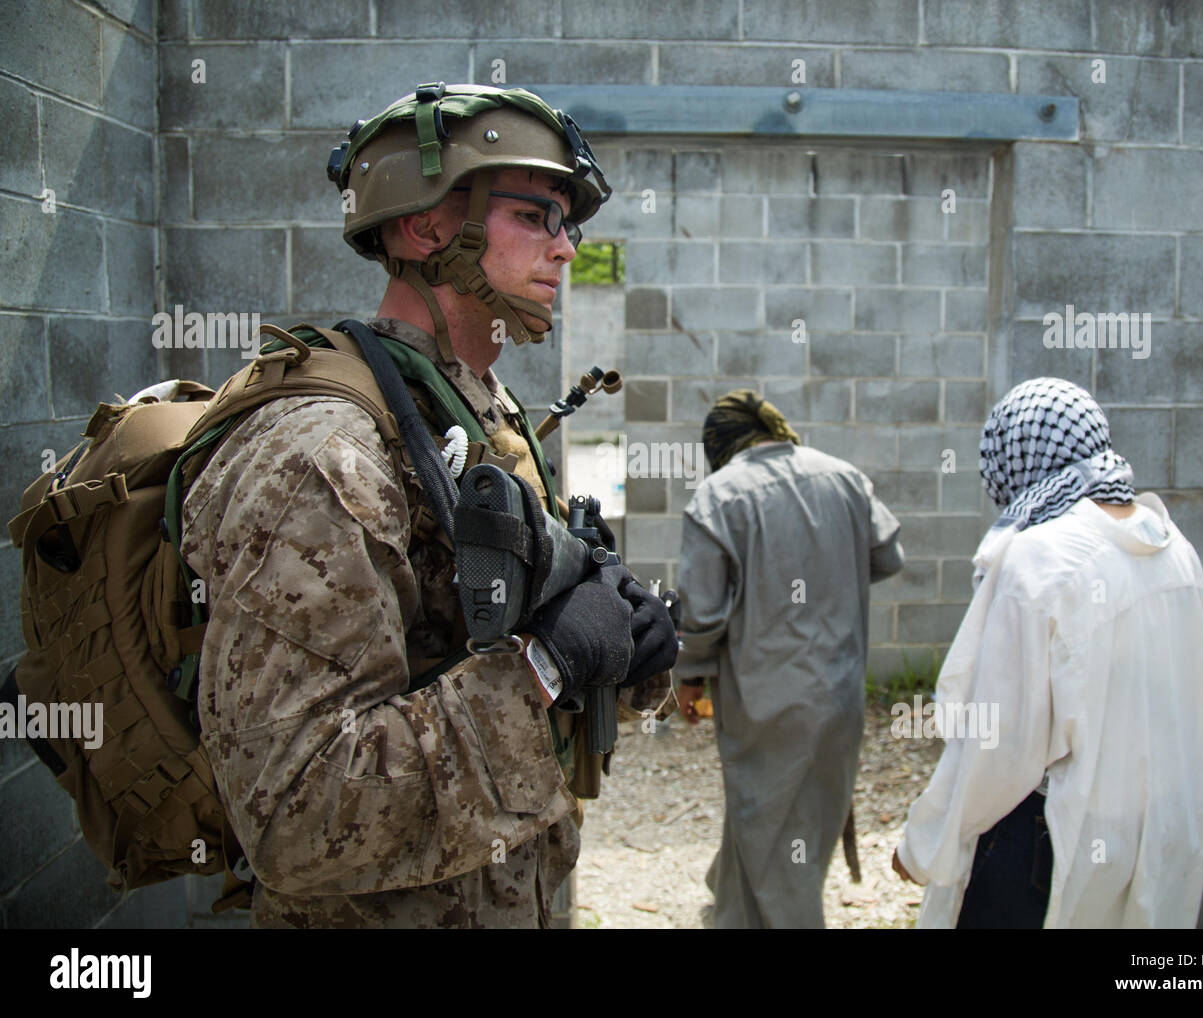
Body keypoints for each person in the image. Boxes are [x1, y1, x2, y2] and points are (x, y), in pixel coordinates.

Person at [179, 83, 676, 928]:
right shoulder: (323, 455)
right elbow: (297, 811)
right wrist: (548, 667)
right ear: (425, 228)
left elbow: (469, 645)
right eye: (536, 217)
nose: (565, 251)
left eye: (570, 225)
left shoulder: (479, 410)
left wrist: (622, 656)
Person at [891, 377, 1203, 928]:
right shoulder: (1174, 549)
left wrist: (925, 842)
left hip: (1041, 844)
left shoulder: (1040, 559)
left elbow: (1000, 747)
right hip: (1146, 837)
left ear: (1015, 455)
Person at [673, 390, 905, 928]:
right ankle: (729, 915)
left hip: (766, 704)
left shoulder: (719, 496)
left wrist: (689, 678)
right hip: (839, 695)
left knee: (778, 852)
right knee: (785, 830)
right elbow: (888, 554)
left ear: (721, 448)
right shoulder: (843, 477)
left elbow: (702, 615)